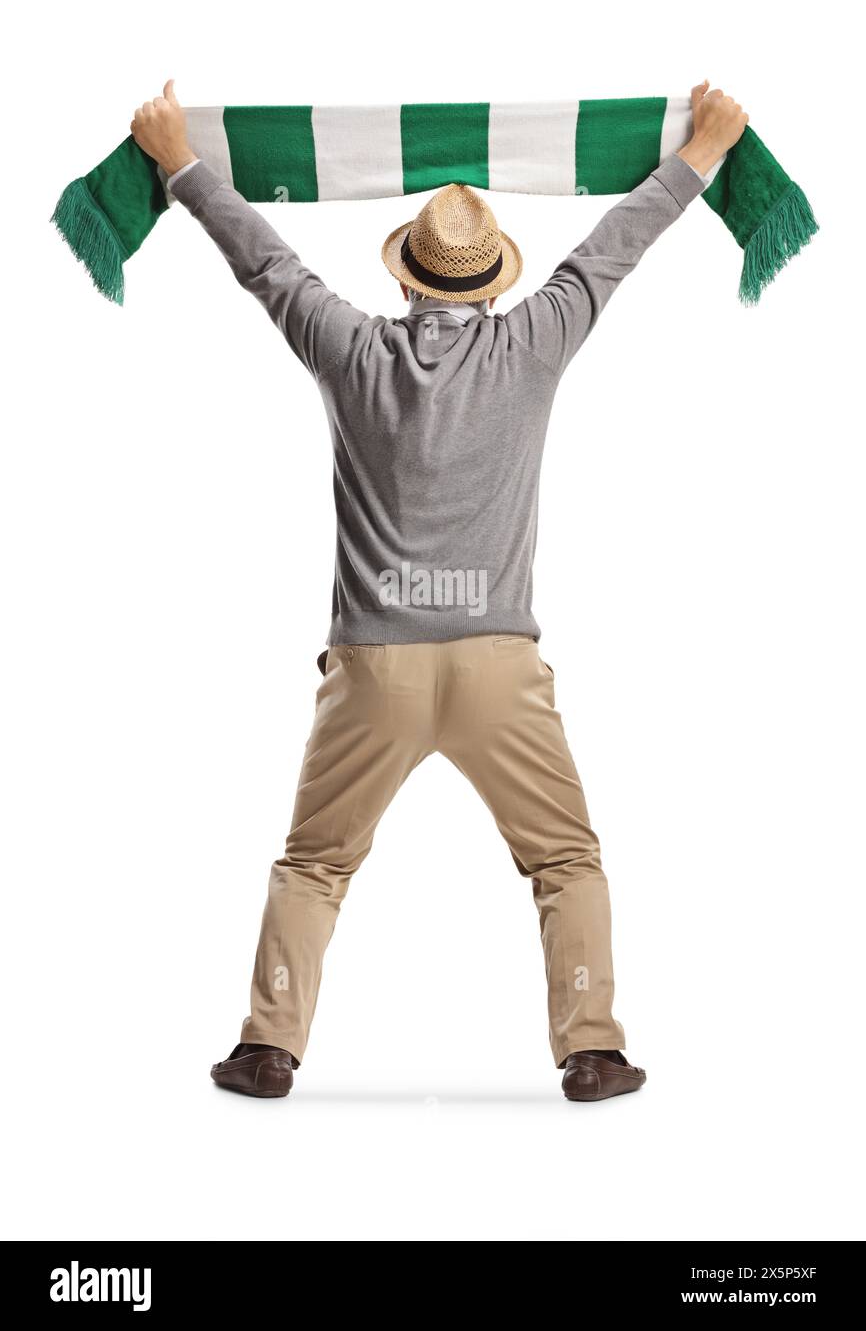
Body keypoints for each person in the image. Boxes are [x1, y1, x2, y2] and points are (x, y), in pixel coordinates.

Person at [131, 80, 748, 1101]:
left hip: (372, 663)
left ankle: (266, 1047)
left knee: (314, 863)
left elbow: (265, 264)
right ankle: (590, 1047)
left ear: (409, 279)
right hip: (498, 664)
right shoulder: (535, 342)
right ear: (489, 286)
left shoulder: (346, 348)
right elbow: (613, 246)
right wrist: (704, 151)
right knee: (563, 860)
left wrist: (181, 164)